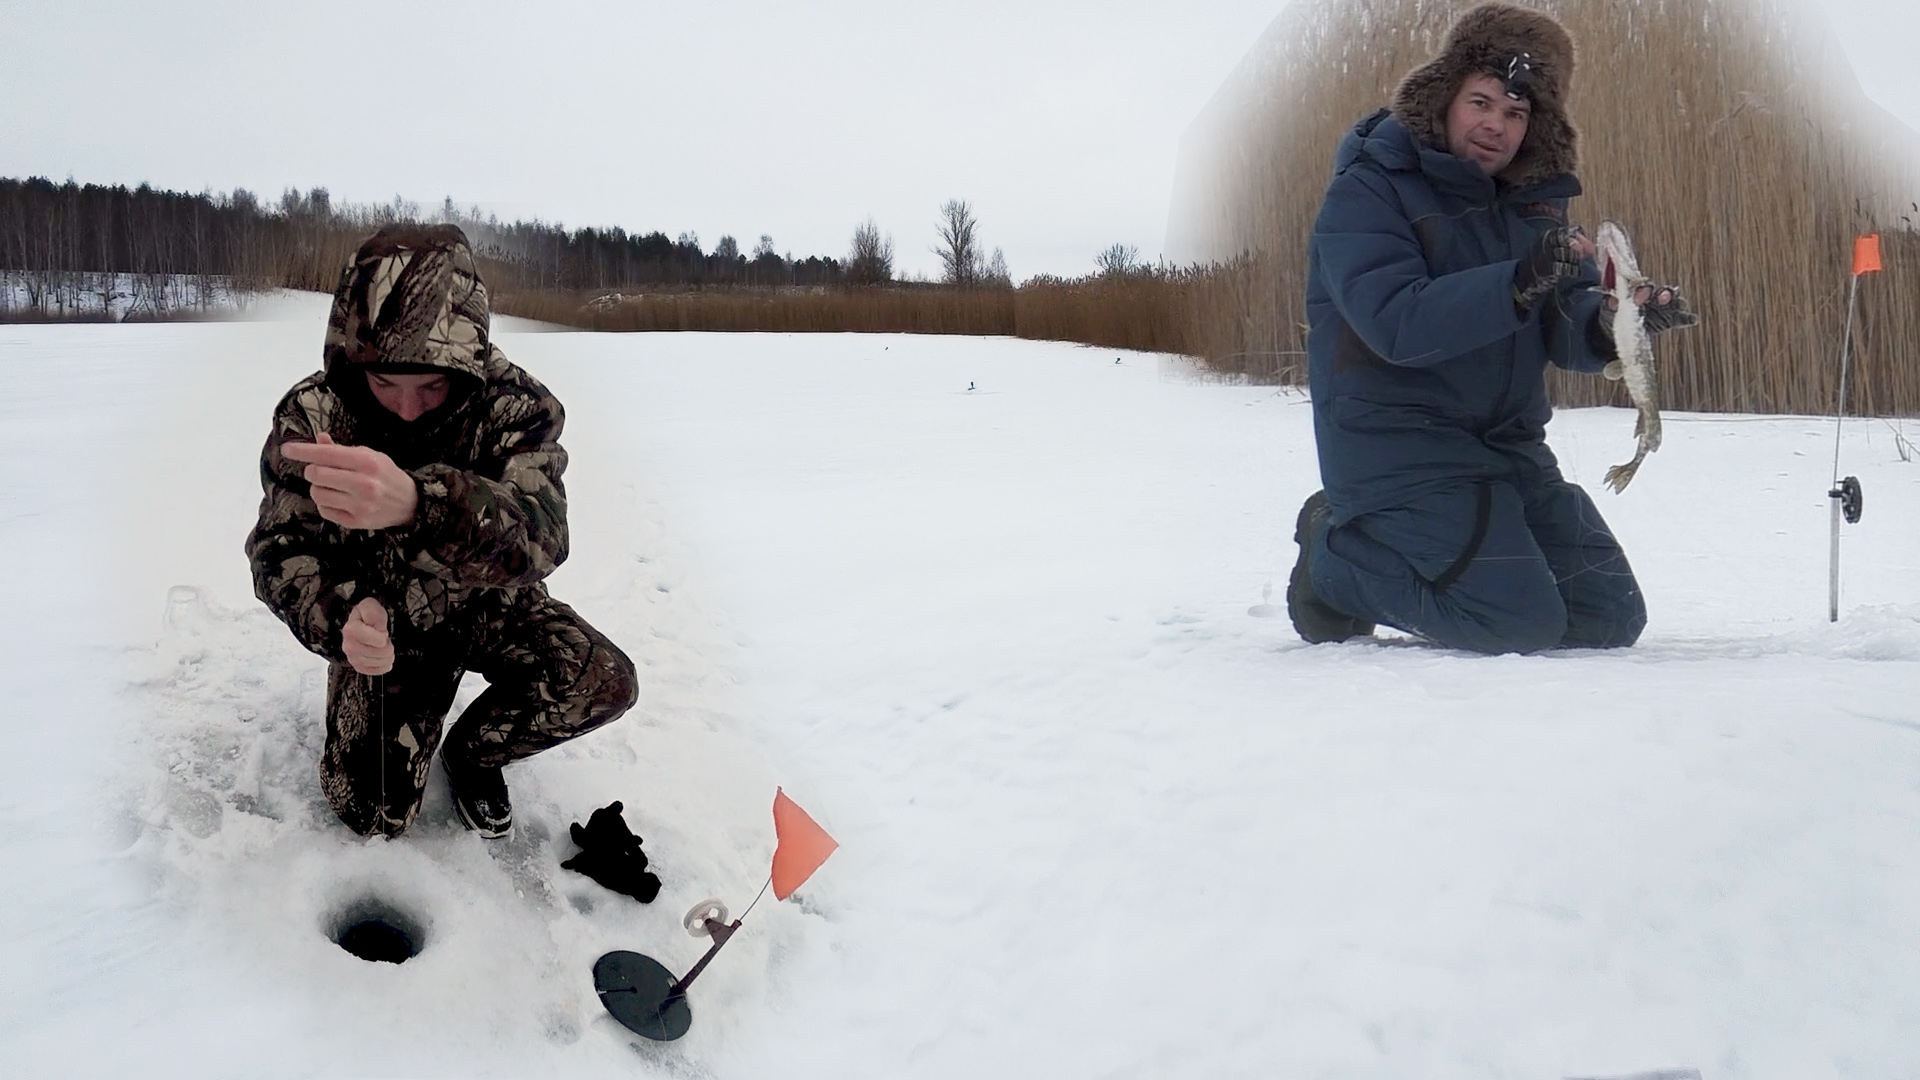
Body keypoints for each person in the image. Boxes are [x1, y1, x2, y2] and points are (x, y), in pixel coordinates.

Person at [1288, 3, 1697, 654]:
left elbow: (1559, 319)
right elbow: (1397, 322)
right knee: (1516, 623)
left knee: (1607, 617)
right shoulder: (1370, 191)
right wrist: (1516, 282)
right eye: (1480, 102)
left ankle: (1413, 548)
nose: (1495, 126)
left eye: (1515, 113)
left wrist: (1614, 322)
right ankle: (1333, 558)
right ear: (1445, 96)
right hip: (1400, 453)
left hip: (1508, 449)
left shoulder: (1534, 205)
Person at [245, 225, 639, 839]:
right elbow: (278, 549)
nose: (408, 408)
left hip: (488, 600)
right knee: (373, 815)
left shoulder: (516, 405)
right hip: (386, 618)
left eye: (431, 386)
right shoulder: (315, 414)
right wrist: (341, 617)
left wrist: (420, 504)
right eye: (385, 385)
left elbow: (543, 535)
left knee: (601, 681)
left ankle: (473, 755)